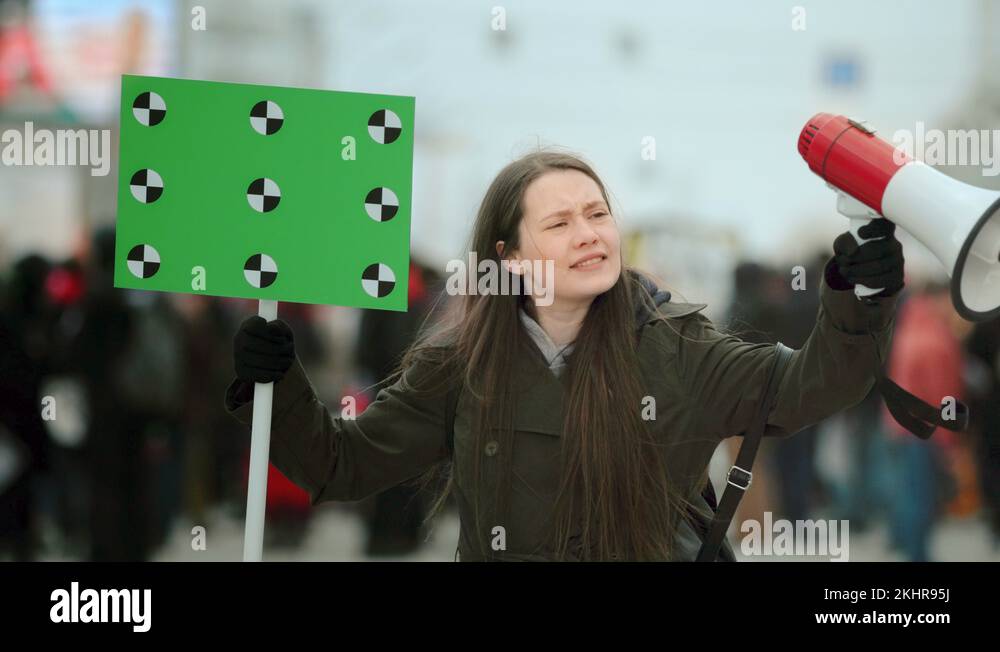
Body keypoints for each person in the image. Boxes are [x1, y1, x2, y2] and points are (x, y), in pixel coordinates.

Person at [223, 150, 903, 561]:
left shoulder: (679, 345)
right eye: (559, 222)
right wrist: (278, 381)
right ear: (510, 258)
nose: (589, 234)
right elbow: (340, 464)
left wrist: (857, 296)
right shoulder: (461, 365)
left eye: (597, 213)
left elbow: (817, 383)